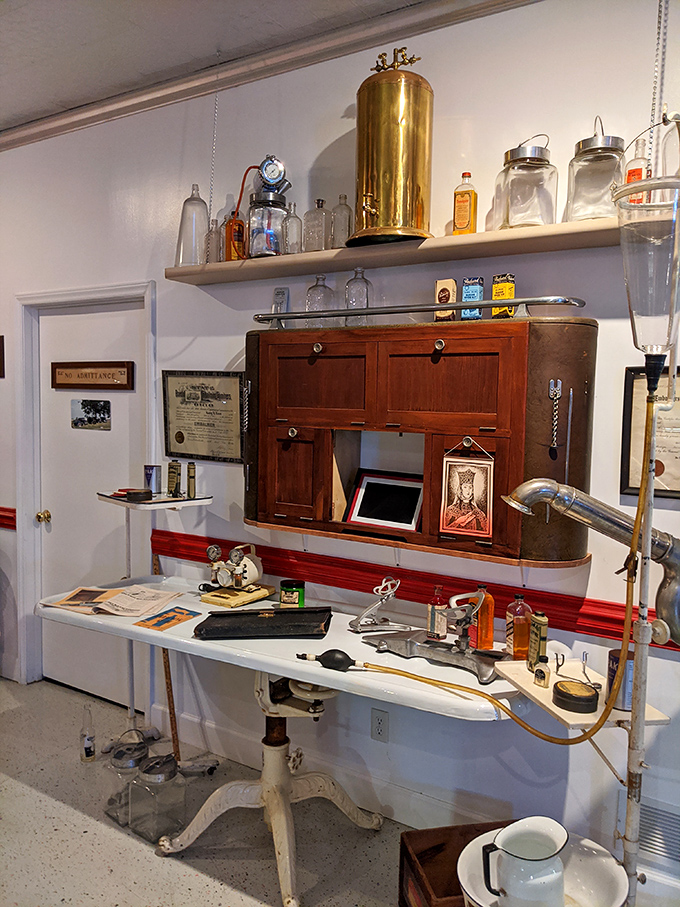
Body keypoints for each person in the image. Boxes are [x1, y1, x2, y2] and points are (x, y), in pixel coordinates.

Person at [444, 467, 489, 534]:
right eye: (465, 487)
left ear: (473, 490)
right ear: (461, 489)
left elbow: (486, 531)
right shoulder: (450, 510)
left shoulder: (479, 514)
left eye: (470, 487)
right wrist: (457, 522)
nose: (468, 490)